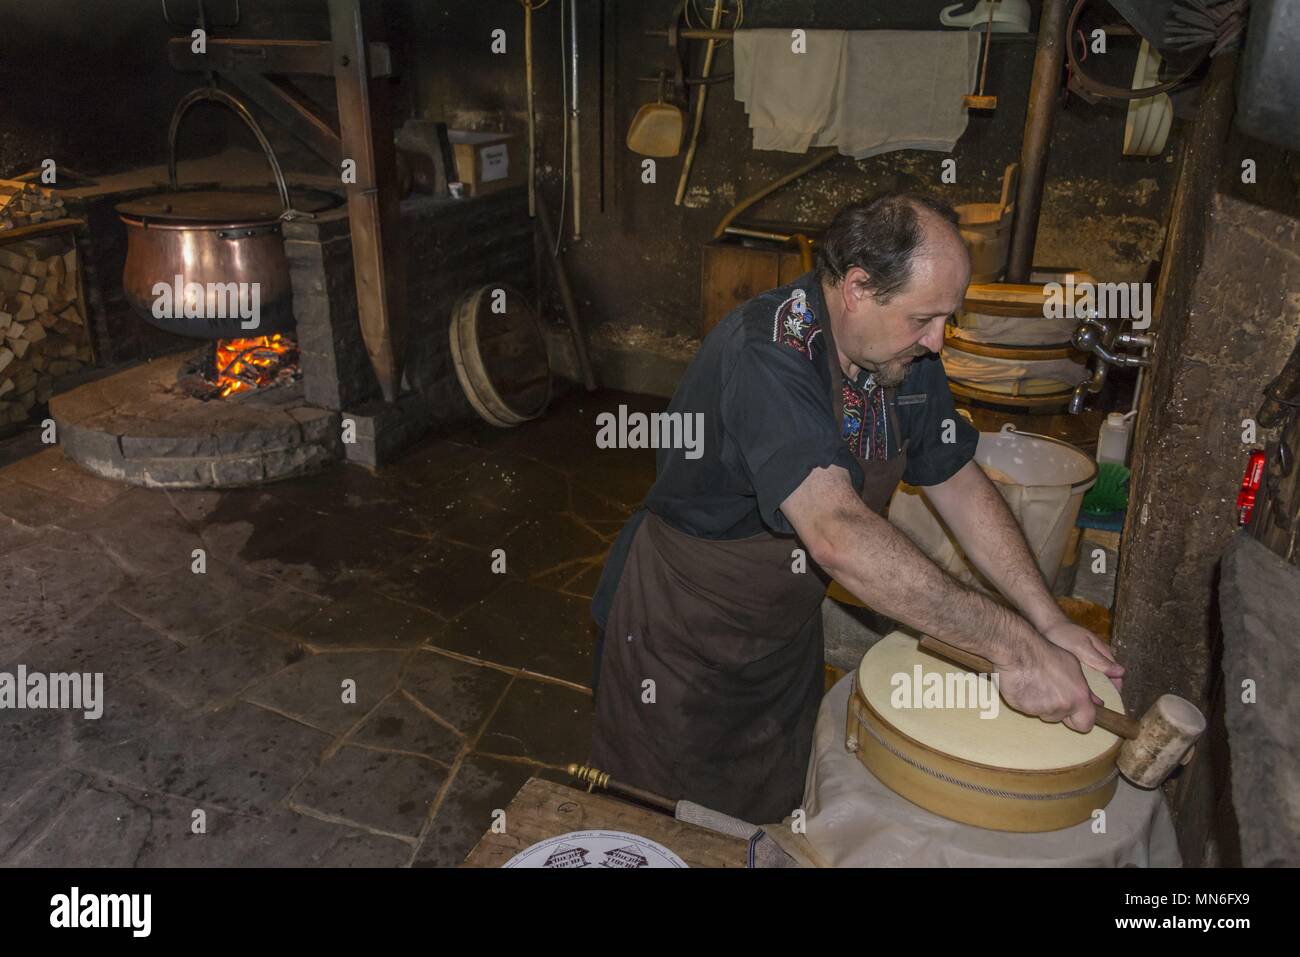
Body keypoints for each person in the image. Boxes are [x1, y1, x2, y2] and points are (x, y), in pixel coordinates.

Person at [588, 192, 1124, 824]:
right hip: (682, 636)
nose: (937, 341)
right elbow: (837, 533)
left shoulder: (898, 356)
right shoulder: (768, 352)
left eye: (946, 319)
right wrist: (1014, 649)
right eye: (925, 319)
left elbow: (955, 477)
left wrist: (1046, 621)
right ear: (858, 289)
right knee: (669, 825)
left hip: (782, 635)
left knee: (770, 812)